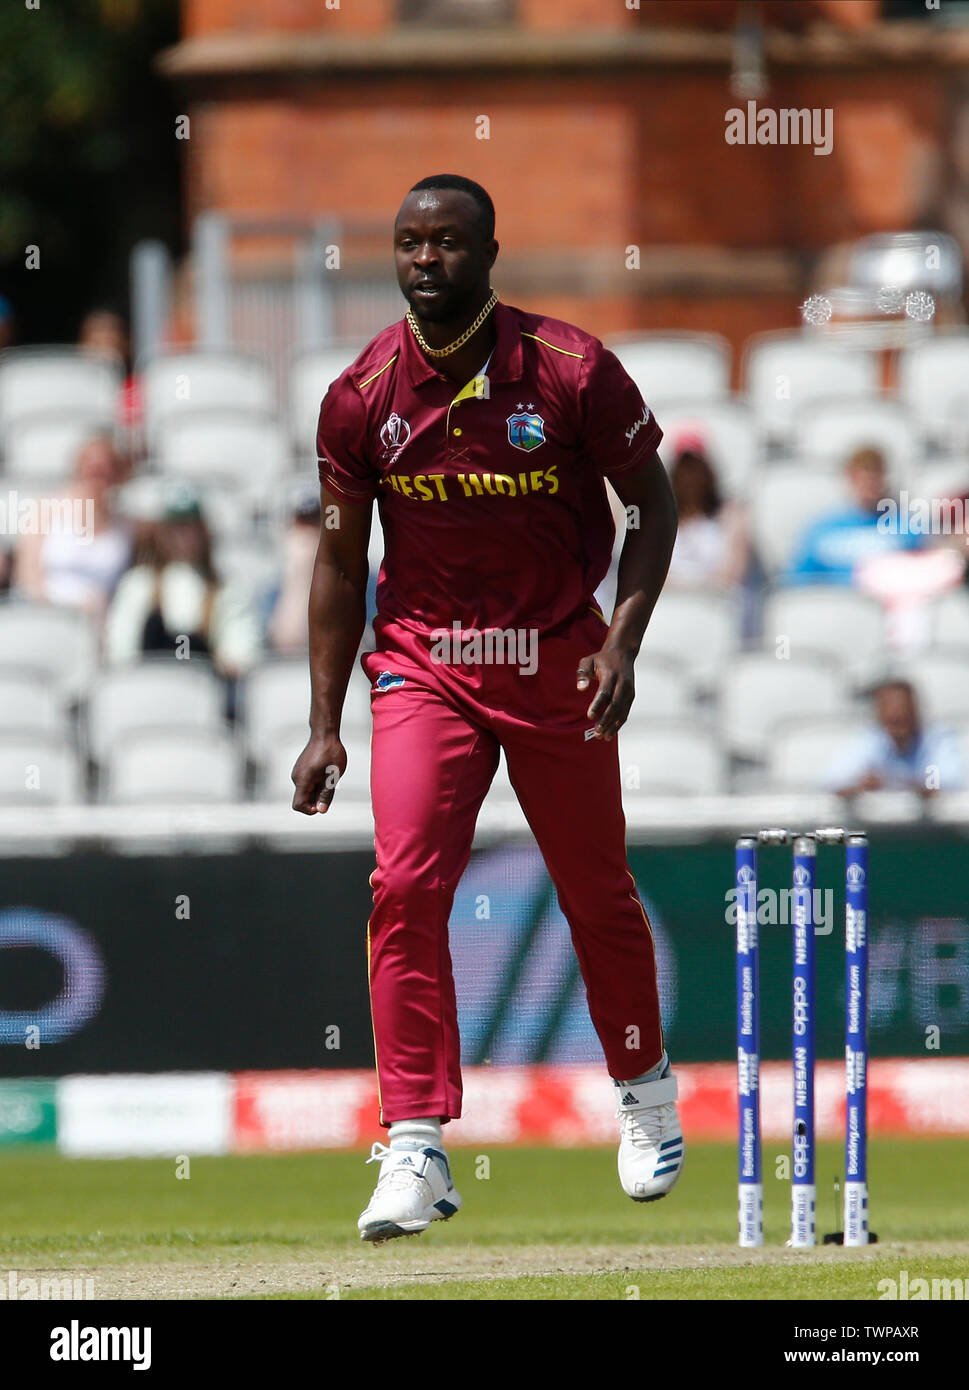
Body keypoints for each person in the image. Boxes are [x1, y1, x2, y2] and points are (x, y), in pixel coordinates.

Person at [291, 174, 682, 1242]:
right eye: (410, 243)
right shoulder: (361, 394)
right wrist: (325, 721)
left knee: (595, 890)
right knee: (404, 883)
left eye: (448, 243)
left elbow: (655, 504)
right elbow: (337, 563)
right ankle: (415, 1141)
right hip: (425, 666)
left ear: (490, 252)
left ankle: (645, 1092)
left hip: (556, 660)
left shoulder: (570, 368)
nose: (427, 261)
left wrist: (621, 641)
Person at [104, 484, 261, 693]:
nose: (183, 537)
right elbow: (121, 653)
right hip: (147, 691)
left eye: (190, 527)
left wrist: (197, 662)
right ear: (161, 534)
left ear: (204, 532)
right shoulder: (137, 585)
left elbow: (240, 657)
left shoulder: (229, 590)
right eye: (175, 529)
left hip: (206, 696)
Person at [13, 432, 132, 621]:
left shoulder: (126, 524)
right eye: (92, 468)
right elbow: (28, 577)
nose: (98, 476)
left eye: (106, 470)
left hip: (106, 622)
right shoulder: (46, 509)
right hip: (48, 617)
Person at [786, 446, 923, 585]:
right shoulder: (822, 530)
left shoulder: (907, 528)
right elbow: (799, 581)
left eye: (874, 478)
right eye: (863, 479)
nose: (869, 486)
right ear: (851, 479)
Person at [827, 677, 965, 798]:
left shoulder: (937, 740)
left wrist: (896, 784)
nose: (899, 727)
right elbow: (835, 781)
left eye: (904, 717)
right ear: (879, 715)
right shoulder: (870, 739)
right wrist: (860, 785)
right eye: (892, 721)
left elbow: (946, 783)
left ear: (915, 711)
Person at [664, 433, 749, 589]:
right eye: (684, 468)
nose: (690, 476)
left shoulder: (731, 516)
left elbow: (732, 575)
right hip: (669, 604)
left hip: (714, 604)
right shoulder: (661, 519)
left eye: (695, 467)